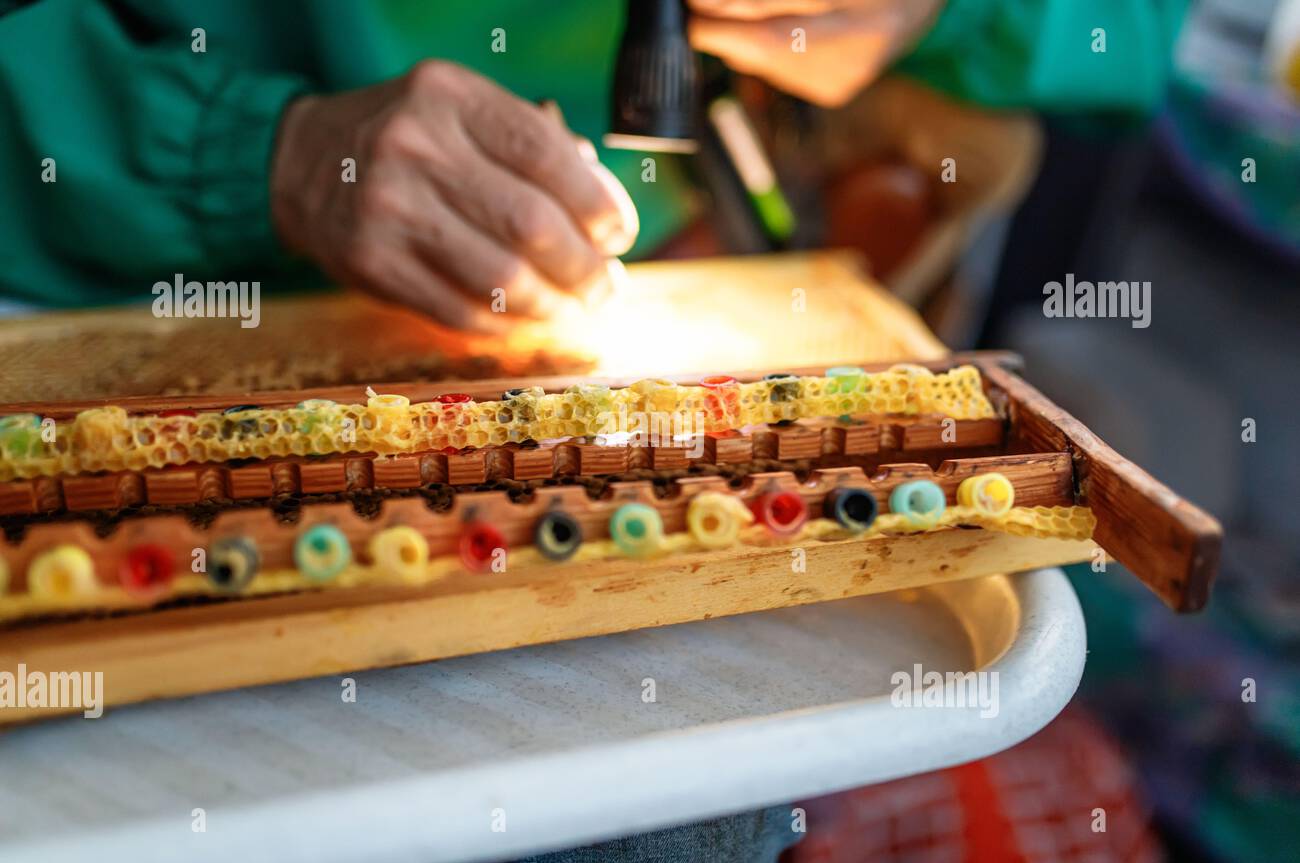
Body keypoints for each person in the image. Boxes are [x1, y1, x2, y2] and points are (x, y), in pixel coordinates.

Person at [0, 0, 1188, 332]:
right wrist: (261, 154)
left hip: (677, 237)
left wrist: (951, 10)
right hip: (133, 290)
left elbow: (1139, 27)